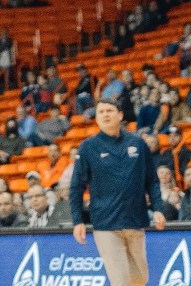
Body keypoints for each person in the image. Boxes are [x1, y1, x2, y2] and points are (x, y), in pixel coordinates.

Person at [69, 101, 167, 286]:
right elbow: (76, 186)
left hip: (135, 220)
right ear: (96, 118)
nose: (105, 115)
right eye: (101, 112)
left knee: (139, 278)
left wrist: (158, 209)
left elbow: (152, 181)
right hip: (106, 224)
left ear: (120, 115)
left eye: (110, 111)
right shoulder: (88, 147)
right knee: (121, 281)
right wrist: (78, 220)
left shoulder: (137, 143)